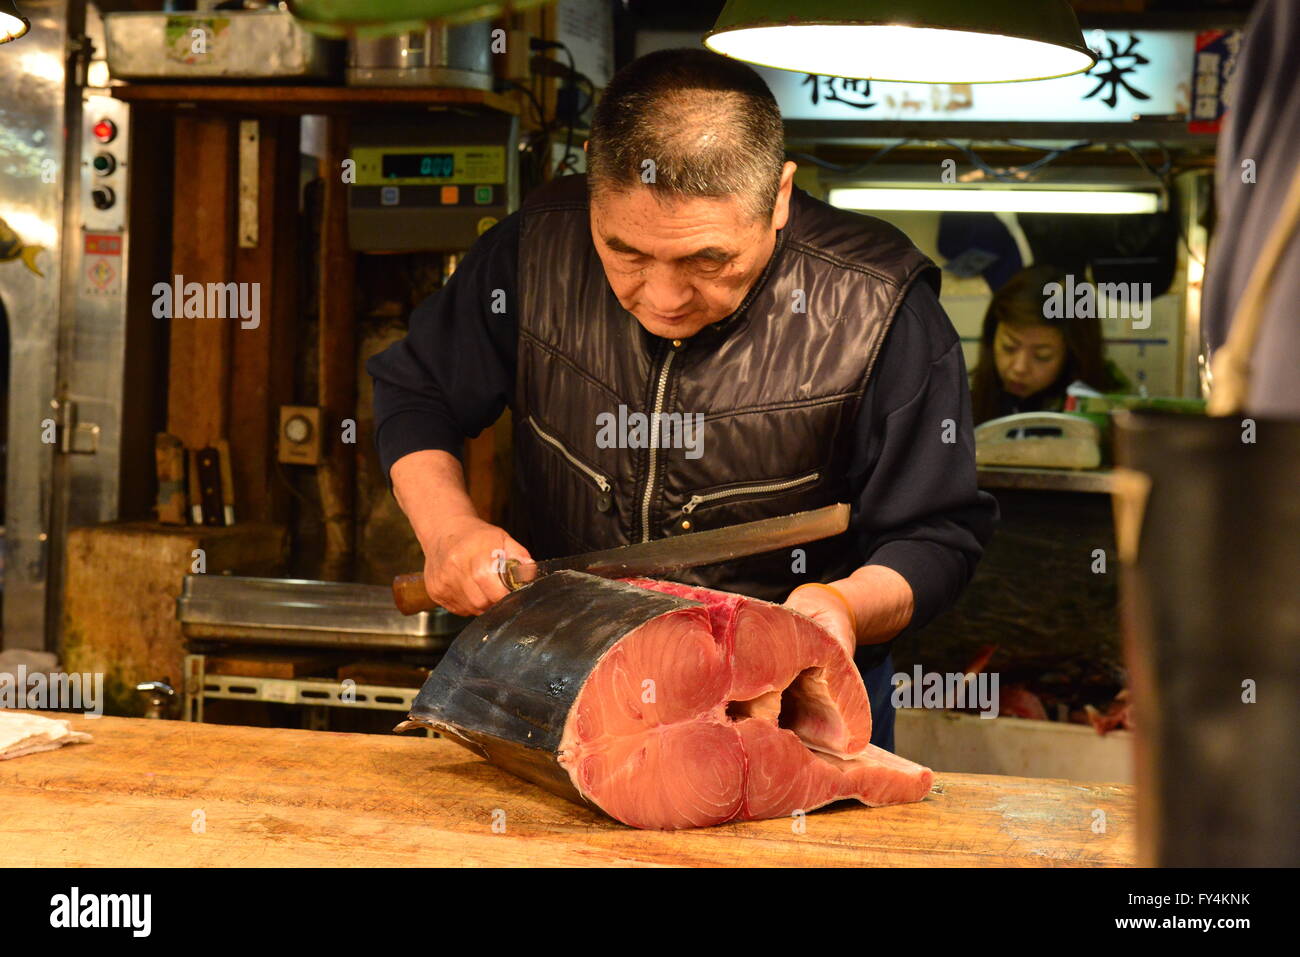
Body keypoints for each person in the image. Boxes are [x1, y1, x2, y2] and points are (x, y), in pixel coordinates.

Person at [367, 48, 997, 752]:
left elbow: (935, 534)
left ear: (779, 195)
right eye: (627, 253)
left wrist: (842, 605)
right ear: (590, 185)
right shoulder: (534, 248)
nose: (662, 298)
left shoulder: (881, 307)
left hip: (780, 707)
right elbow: (419, 389)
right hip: (562, 683)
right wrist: (448, 528)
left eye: (708, 260)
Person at [969, 264, 1128, 424]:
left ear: (1073, 354)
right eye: (1009, 348)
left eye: (1042, 356)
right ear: (992, 337)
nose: (1019, 368)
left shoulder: (1113, 410)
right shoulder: (962, 397)